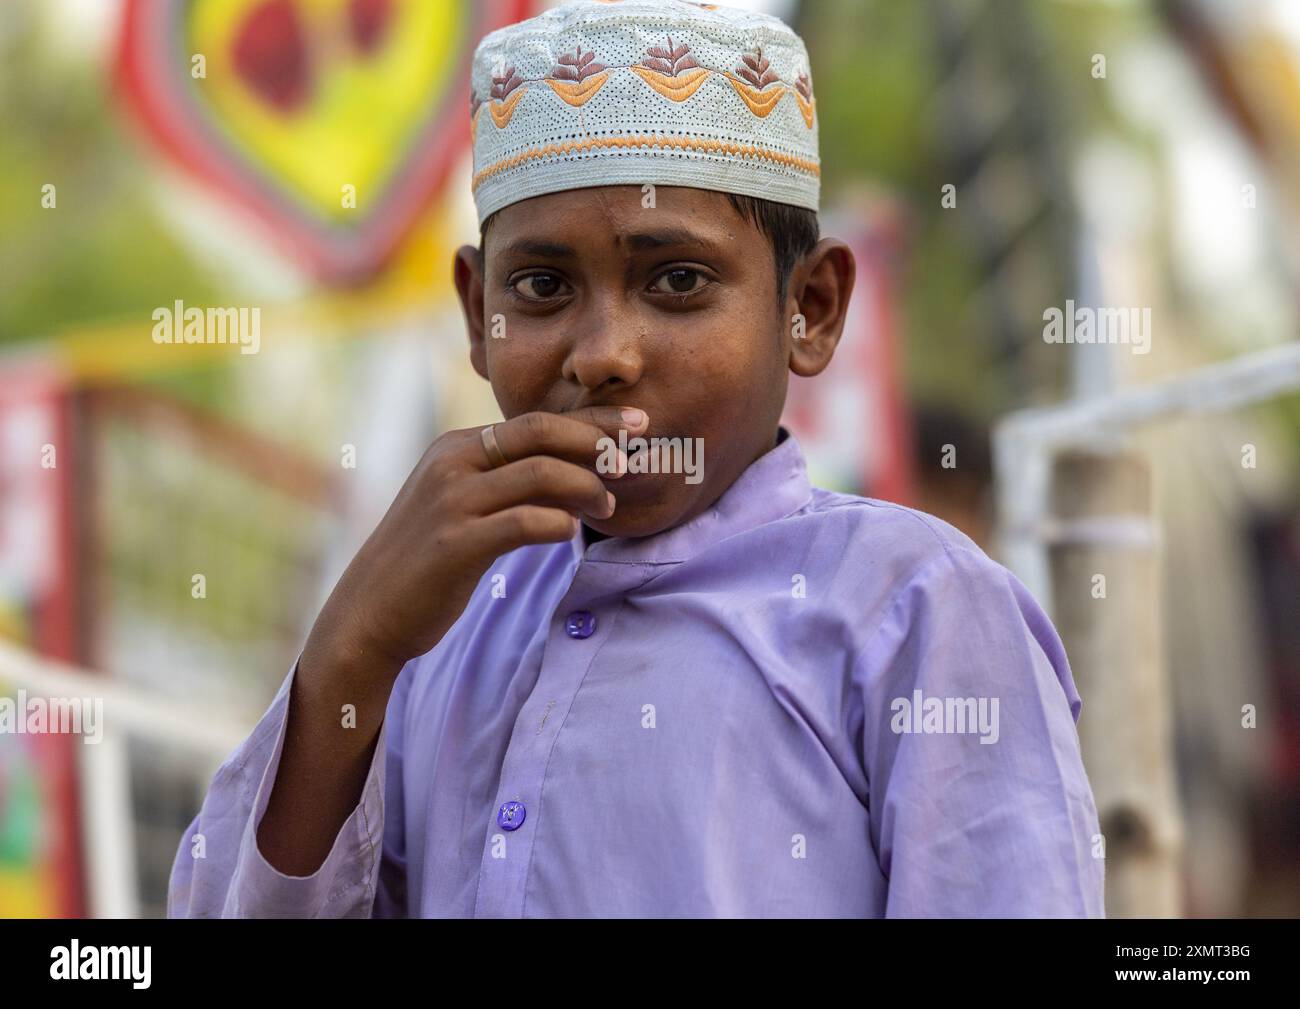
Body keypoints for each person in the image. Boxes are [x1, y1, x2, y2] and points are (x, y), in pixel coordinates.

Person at [168, 0, 1104, 918]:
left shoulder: (919, 608)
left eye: (678, 280)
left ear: (808, 308)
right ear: (476, 317)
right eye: (541, 287)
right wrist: (352, 654)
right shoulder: (439, 631)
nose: (603, 353)